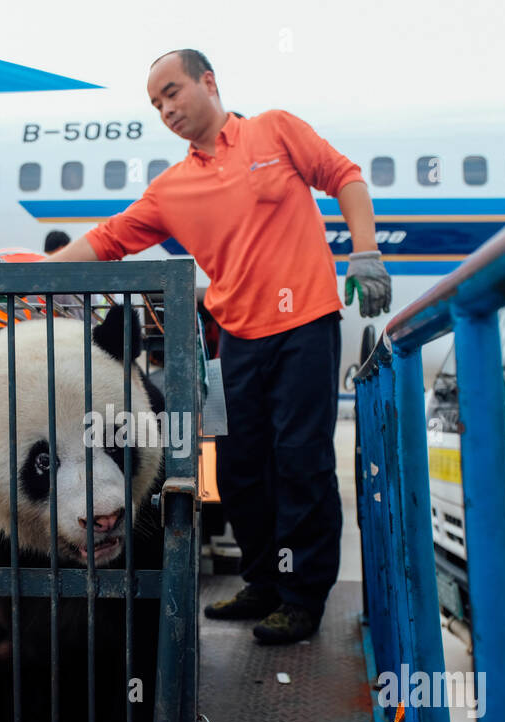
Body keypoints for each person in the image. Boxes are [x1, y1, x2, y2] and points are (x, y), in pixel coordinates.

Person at [46, 49, 391, 644]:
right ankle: (263, 581)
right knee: (237, 468)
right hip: (235, 343)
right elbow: (108, 240)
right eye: (156, 103)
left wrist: (366, 252)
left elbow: (345, 175)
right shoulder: (173, 188)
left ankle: (302, 597)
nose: (166, 109)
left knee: (301, 460)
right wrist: (38, 270)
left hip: (305, 325)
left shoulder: (274, 130)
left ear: (209, 81)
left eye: (173, 91)